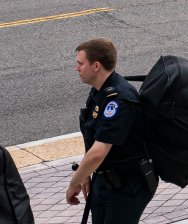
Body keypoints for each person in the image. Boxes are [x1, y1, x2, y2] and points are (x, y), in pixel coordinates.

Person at [66, 38, 156, 223]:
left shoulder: (118, 100)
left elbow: (99, 152)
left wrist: (74, 183)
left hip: (127, 187)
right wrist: (86, 174)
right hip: (105, 182)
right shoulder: (100, 92)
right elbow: (93, 136)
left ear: (96, 65)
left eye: (80, 63)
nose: (77, 68)